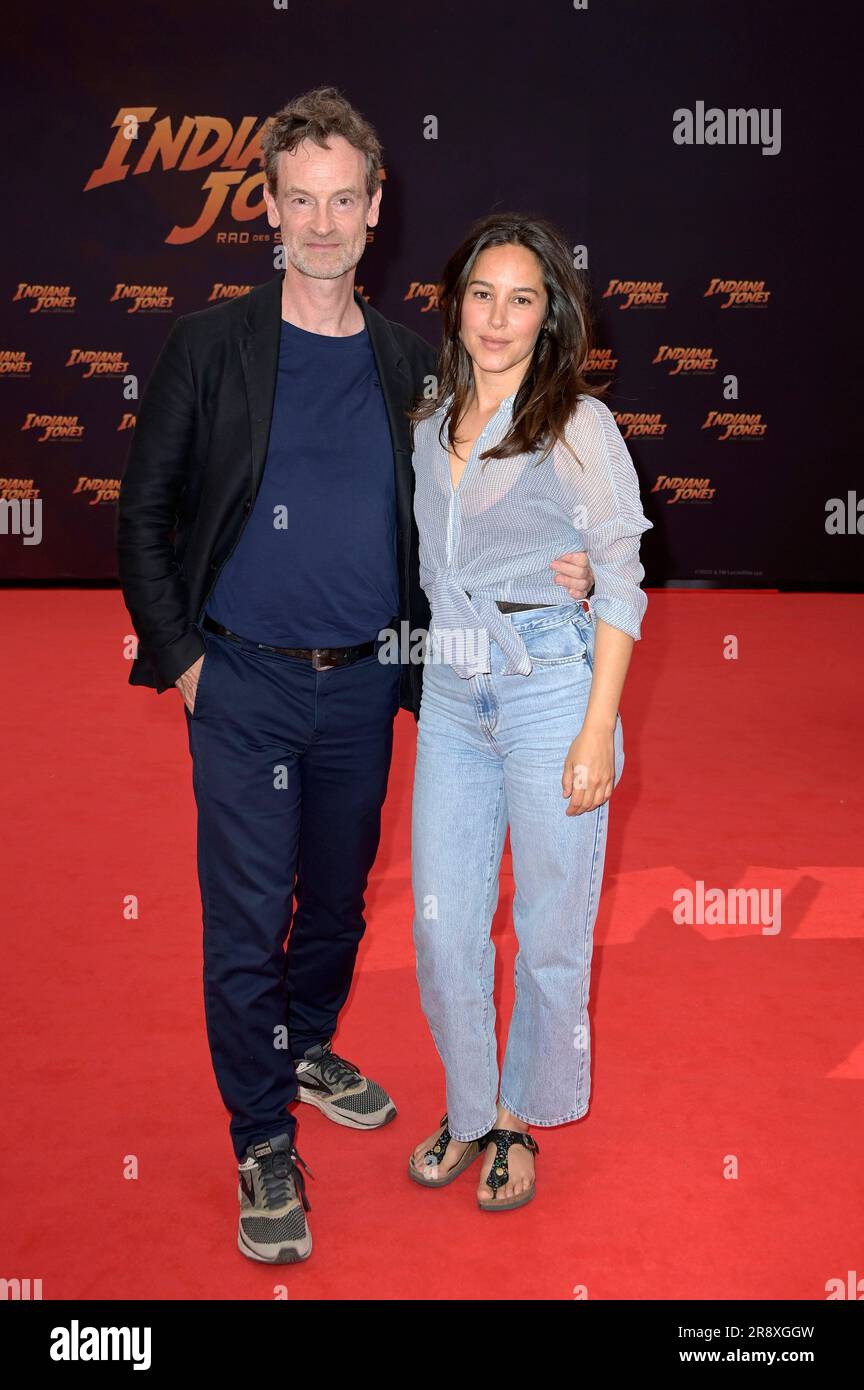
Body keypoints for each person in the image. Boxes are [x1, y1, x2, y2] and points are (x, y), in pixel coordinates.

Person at [116, 89, 593, 1263]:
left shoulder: (406, 366)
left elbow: (478, 501)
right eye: (300, 200)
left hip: (369, 686)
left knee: (334, 905)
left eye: (345, 200)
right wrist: (182, 662)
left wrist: (562, 558)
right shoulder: (207, 344)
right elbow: (142, 516)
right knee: (244, 923)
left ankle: (307, 1039)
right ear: (267, 208)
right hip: (240, 684)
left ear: (376, 209)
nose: (322, 224)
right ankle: (262, 1138)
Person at [407, 212, 653, 1211]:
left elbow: (625, 581)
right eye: (481, 294)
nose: (497, 318)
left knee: (553, 919)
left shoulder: (577, 426)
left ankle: (520, 1116)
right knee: (441, 922)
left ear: (550, 315)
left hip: (554, 684)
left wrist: (599, 726)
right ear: (456, 303)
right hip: (451, 690)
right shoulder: (429, 422)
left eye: (521, 298)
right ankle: (470, 1104)